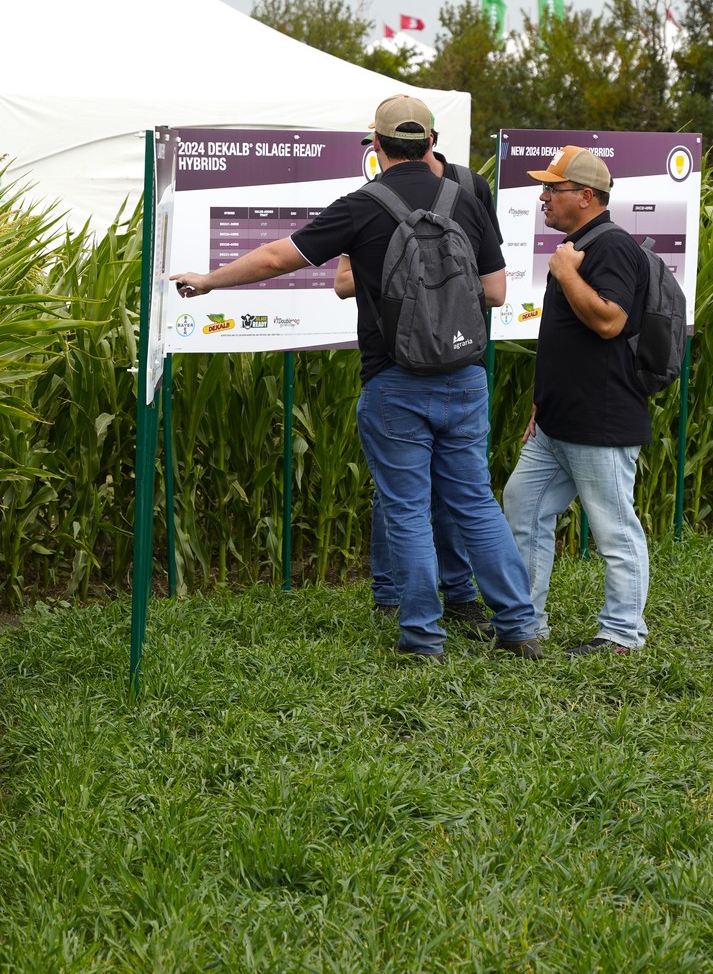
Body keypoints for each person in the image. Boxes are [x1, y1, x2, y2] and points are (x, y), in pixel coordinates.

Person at [170, 95, 546, 659]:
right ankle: (518, 628)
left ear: (377, 145)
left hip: (393, 381)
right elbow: (494, 292)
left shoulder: (362, 205)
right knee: (474, 503)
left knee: (407, 508)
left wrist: (210, 280)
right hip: (465, 377)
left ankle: (422, 638)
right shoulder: (466, 201)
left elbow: (278, 257)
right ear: (431, 143)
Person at [336, 147, 497, 631]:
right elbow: (345, 282)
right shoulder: (372, 200)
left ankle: (439, 611)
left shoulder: (469, 188)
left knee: (428, 502)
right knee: (446, 499)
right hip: (450, 367)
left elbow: (489, 286)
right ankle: (397, 596)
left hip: (423, 368)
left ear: (379, 144)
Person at [501, 145, 653, 655]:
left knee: (614, 529)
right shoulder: (579, 243)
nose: (543, 197)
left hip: (600, 422)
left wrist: (567, 271)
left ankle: (622, 635)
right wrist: (543, 402)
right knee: (522, 506)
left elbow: (610, 321)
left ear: (586, 196)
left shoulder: (609, 248)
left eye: (553, 188)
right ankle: (526, 624)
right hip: (557, 422)